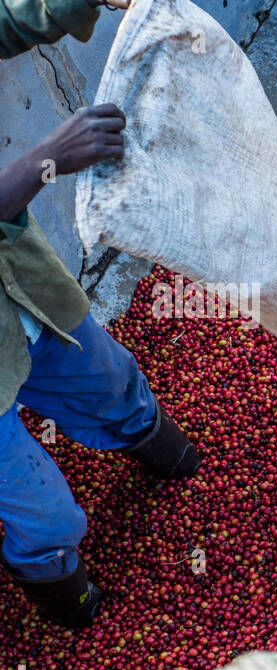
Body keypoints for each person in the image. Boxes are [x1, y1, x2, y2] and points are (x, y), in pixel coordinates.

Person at [1, 0, 199, 629]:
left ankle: (167, 457)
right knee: (47, 516)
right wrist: (41, 163)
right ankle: (63, 595)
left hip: (24, 295)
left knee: (110, 380)